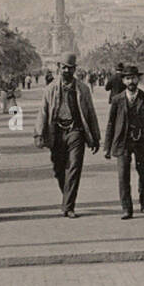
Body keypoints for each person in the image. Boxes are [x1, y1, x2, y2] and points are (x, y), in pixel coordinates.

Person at [34, 54, 100, 218]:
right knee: (58, 169)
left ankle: (69, 206)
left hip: (76, 130)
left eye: (70, 68)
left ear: (74, 69)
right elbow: (43, 112)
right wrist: (38, 134)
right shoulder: (50, 89)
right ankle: (67, 196)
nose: (66, 70)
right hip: (56, 131)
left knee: (74, 167)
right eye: (63, 67)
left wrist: (95, 137)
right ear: (59, 67)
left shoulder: (83, 89)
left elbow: (90, 112)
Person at [104, 64, 144, 220]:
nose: (131, 81)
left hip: (142, 141)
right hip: (123, 141)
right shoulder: (117, 100)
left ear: (138, 79)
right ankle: (126, 209)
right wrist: (107, 147)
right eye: (128, 78)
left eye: (134, 78)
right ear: (123, 81)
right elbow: (110, 123)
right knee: (123, 176)